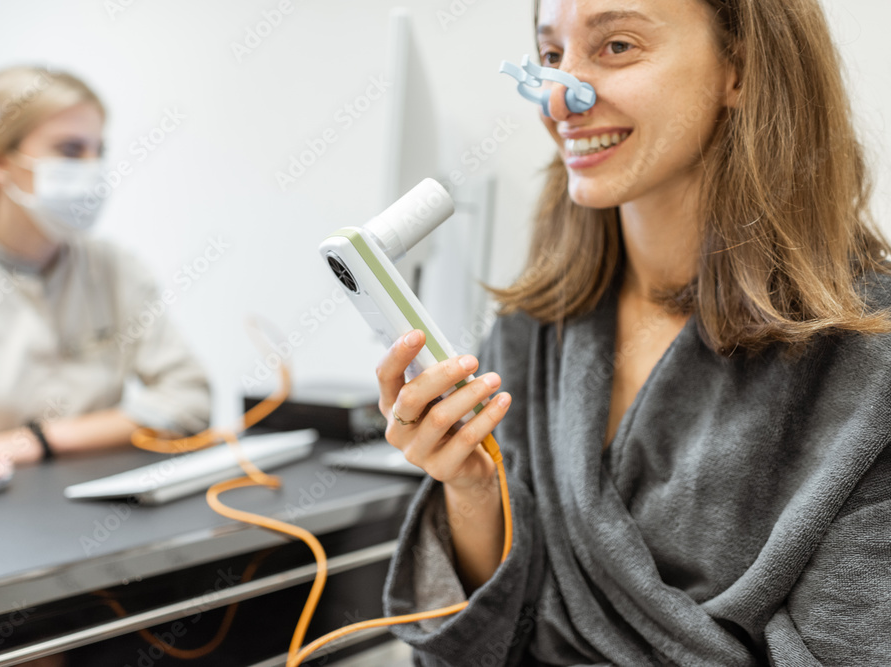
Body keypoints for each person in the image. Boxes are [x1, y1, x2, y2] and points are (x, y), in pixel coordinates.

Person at [377, 0, 891, 664]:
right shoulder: (530, 338)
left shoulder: (868, 364)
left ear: (739, 68)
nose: (560, 99)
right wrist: (473, 491)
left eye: (617, 46)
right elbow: (476, 644)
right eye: (553, 56)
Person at [0, 66, 212, 495]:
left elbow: (188, 402)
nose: (91, 169)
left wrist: (33, 442)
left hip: (93, 510)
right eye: (70, 150)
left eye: (98, 151)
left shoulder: (113, 268)